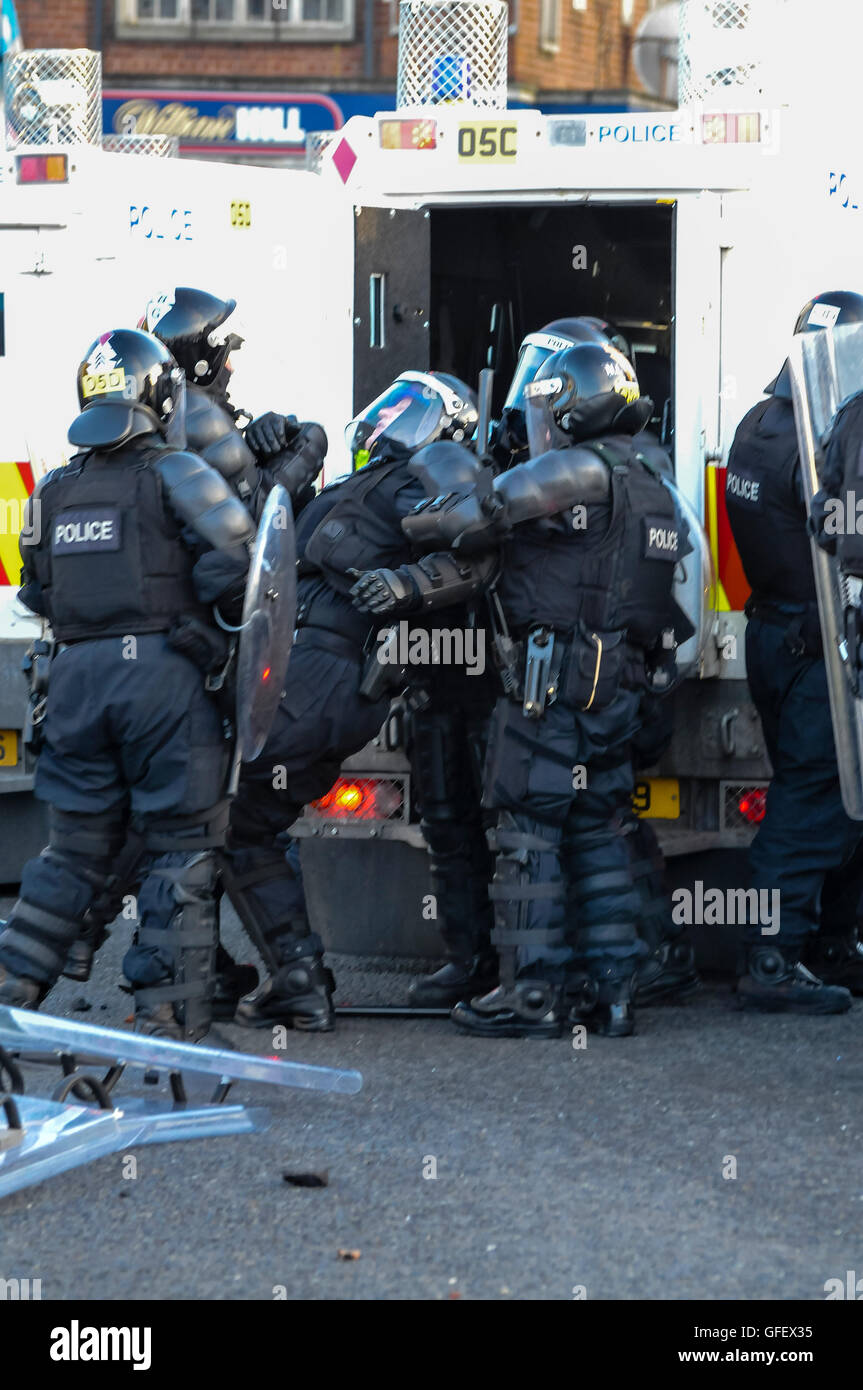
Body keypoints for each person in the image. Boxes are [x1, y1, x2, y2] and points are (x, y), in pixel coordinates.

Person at [397, 342, 688, 1037]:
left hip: (551, 684)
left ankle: (530, 993)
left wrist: (425, 512)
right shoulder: (652, 472)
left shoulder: (575, 467)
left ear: (568, 401)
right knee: (594, 830)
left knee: (527, 832)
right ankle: (614, 991)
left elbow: (479, 515)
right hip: (617, 683)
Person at [0, 330, 255, 1040]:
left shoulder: (53, 488)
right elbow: (239, 569)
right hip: (163, 686)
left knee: (75, 848)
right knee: (181, 845)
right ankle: (166, 1015)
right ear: (160, 396)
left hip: (74, 682)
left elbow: (37, 592)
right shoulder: (178, 471)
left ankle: (12, 985)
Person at [223, 371, 490, 1031]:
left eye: (411, 408)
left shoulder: (428, 472)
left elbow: (481, 545)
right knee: (233, 816)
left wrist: (408, 584)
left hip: (331, 671)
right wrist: (272, 459)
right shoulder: (362, 482)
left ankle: (287, 978)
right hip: (296, 665)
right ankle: (288, 977)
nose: (391, 418)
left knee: (230, 815)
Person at [725, 290, 863, 1014]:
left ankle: (827, 944)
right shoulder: (825, 436)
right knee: (815, 802)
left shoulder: (758, 423)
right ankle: (771, 958)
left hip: (775, 639)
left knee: (831, 802)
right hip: (816, 648)